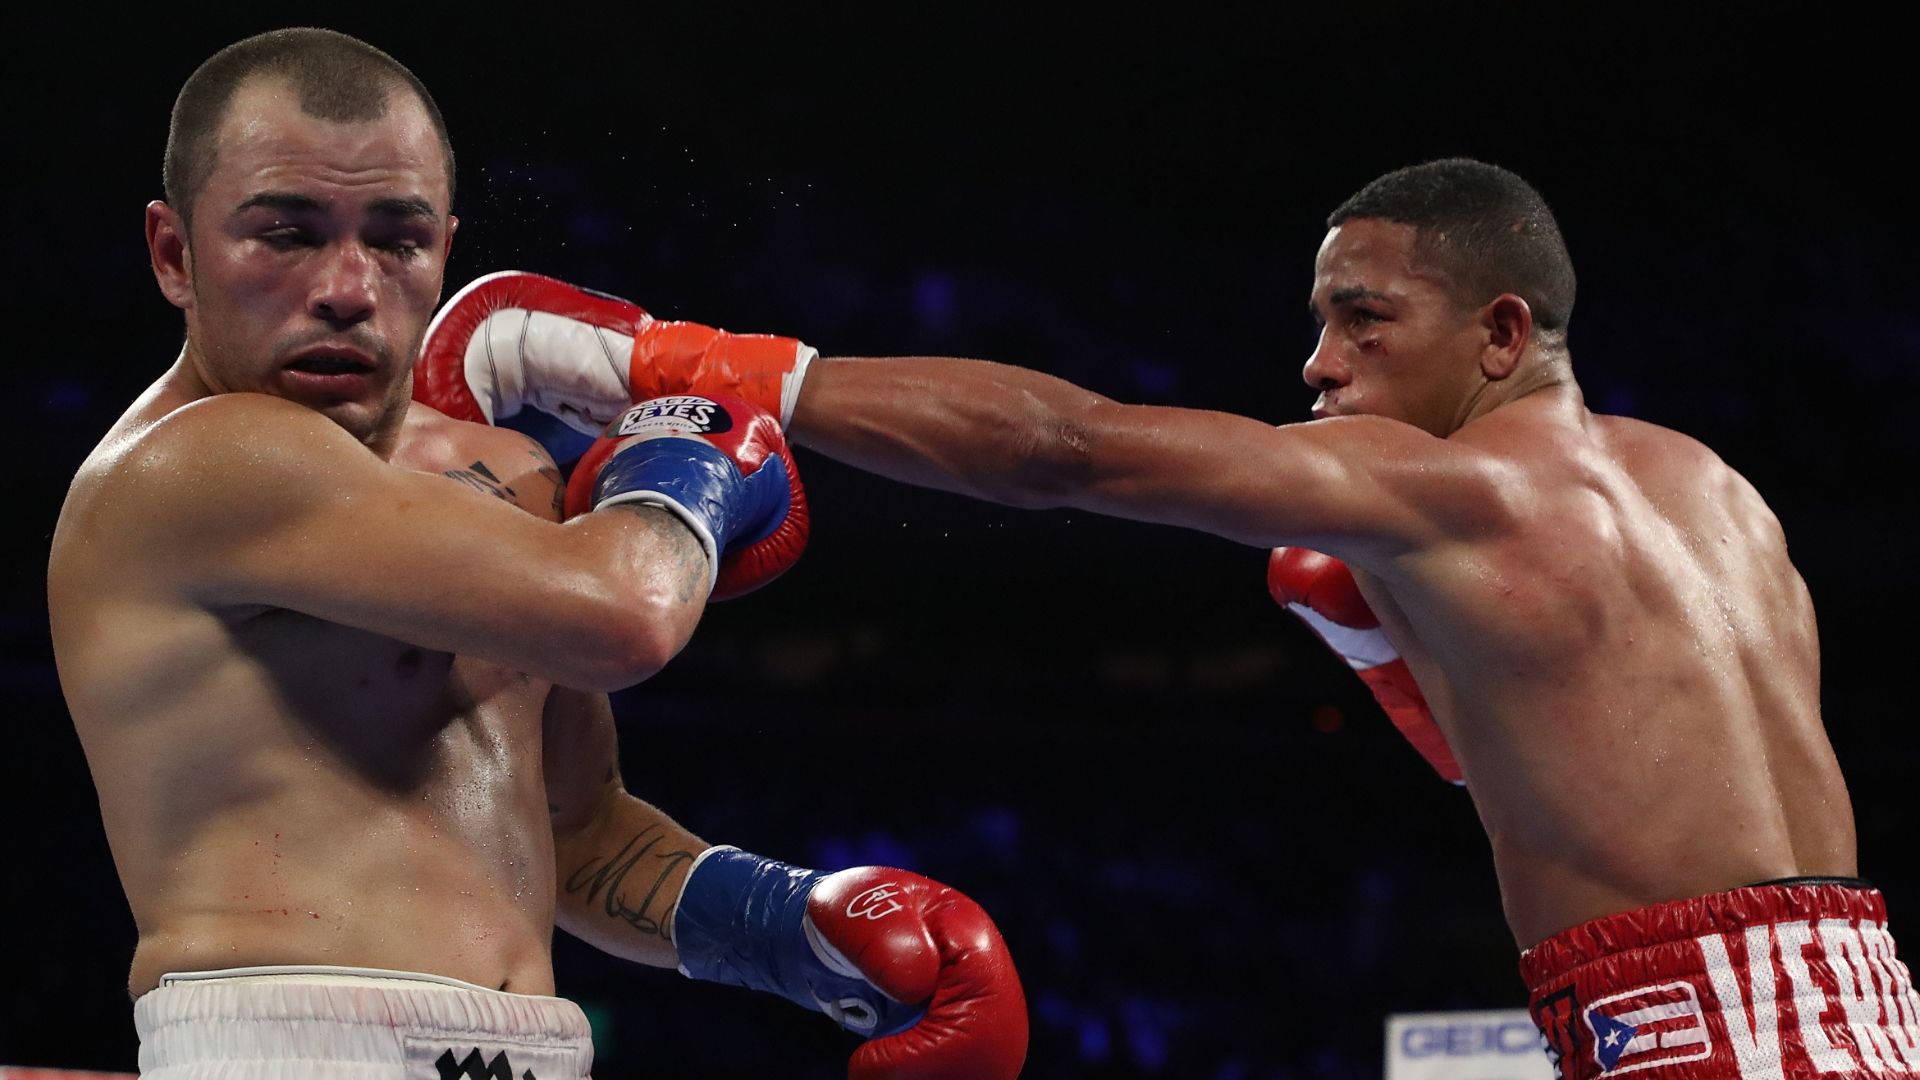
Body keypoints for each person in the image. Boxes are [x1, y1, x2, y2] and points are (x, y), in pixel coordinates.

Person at [442, 158, 1920, 1078]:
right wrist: (1400, 663)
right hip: (1861, 1007)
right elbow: (1596, 778)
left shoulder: (1453, 489)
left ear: (1504, 333)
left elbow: (1066, 452)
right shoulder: (1716, 492)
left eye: (1365, 318)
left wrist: (671, 357)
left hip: (1692, 1032)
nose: (1321, 363)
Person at [47, 27, 1025, 1080]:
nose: (345, 285)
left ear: (444, 252)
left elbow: (579, 830)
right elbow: (626, 614)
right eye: (284, 235)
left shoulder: (501, 476)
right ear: (174, 255)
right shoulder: (204, 460)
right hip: (296, 1044)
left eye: (396, 238)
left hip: (535, 1053)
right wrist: (694, 459)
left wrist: (794, 928)